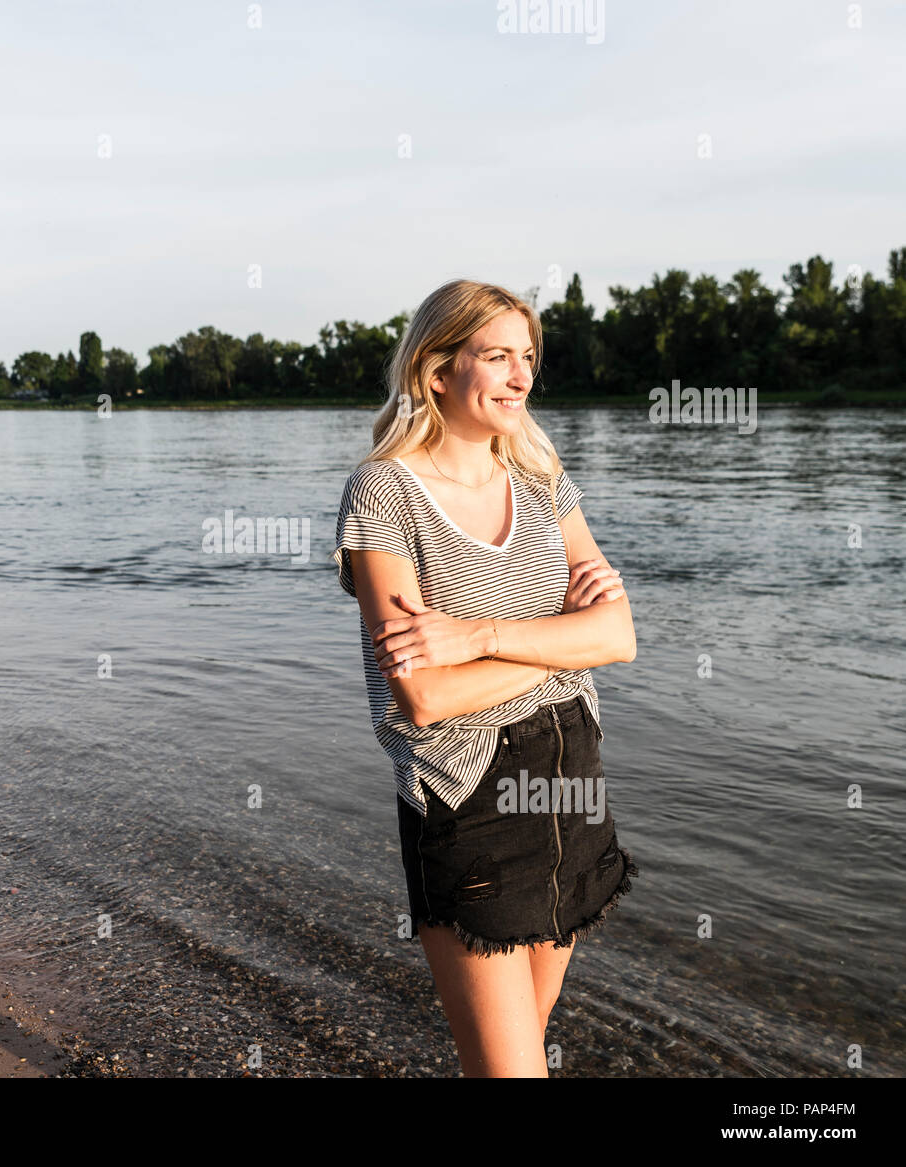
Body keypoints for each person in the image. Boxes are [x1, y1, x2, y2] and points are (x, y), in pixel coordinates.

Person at [332, 277, 640, 1077]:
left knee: (514, 1056)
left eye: (527, 356)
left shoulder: (541, 479)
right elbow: (425, 696)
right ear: (437, 370)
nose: (520, 375)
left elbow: (619, 635)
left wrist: (479, 636)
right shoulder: (384, 492)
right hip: (468, 796)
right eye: (496, 355)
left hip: (572, 781)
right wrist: (560, 646)